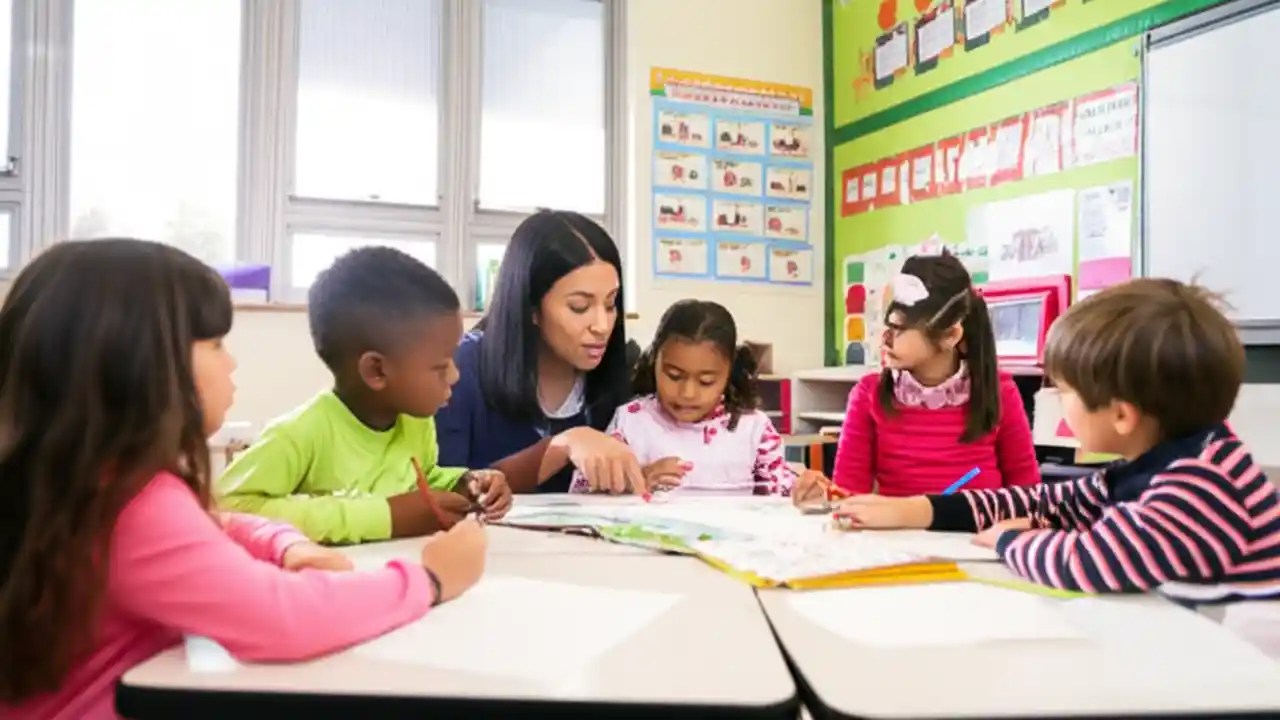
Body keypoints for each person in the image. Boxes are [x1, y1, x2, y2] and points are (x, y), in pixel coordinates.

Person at [0, 240, 486, 718]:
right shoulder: (133, 506)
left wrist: (284, 545)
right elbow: (281, 617)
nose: (231, 363)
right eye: (214, 344)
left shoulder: (83, 486)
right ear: (138, 366)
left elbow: (219, 523)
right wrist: (429, 579)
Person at [834, 278, 1280, 601]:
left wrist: (1010, 541)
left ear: (1122, 415)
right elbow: (1040, 500)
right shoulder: (1159, 462)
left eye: (1065, 392)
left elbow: (1092, 562)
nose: (1059, 402)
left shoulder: (1201, 485)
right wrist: (918, 510)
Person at [217, 247, 511, 545]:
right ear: (376, 371)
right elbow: (229, 508)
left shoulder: (414, 423)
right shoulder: (301, 434)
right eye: (440, 366)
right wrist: (384, 517)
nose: (455, 375)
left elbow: (416, 479)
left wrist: (465, 484)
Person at [793, 251, 1038, 504]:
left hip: (976, 538)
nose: (884, 339)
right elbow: (849, 495)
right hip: (897, 539)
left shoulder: (999, 392)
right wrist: (825, 495)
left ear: (950, 335)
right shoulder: (869, 395)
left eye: (897, 328)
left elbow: (1028, 497)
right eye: (883, 325)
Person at [436, 210, 646, 495]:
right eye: (579, 307)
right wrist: (562, 445)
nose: (602, 326)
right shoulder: (461, 369)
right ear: (531, 307)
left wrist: (639, 475)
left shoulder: (619, 372)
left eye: (610, 304)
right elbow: (446, 492)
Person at [574, 299, 823, 496]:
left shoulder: (752, 428)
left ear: (728, 373)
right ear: (654, 362)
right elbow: (581, 490)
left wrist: (806, 490)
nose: (687, 393)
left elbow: (782, 490)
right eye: (673, 376)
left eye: (706, 381)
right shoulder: (632, 421)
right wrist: (637, 479)